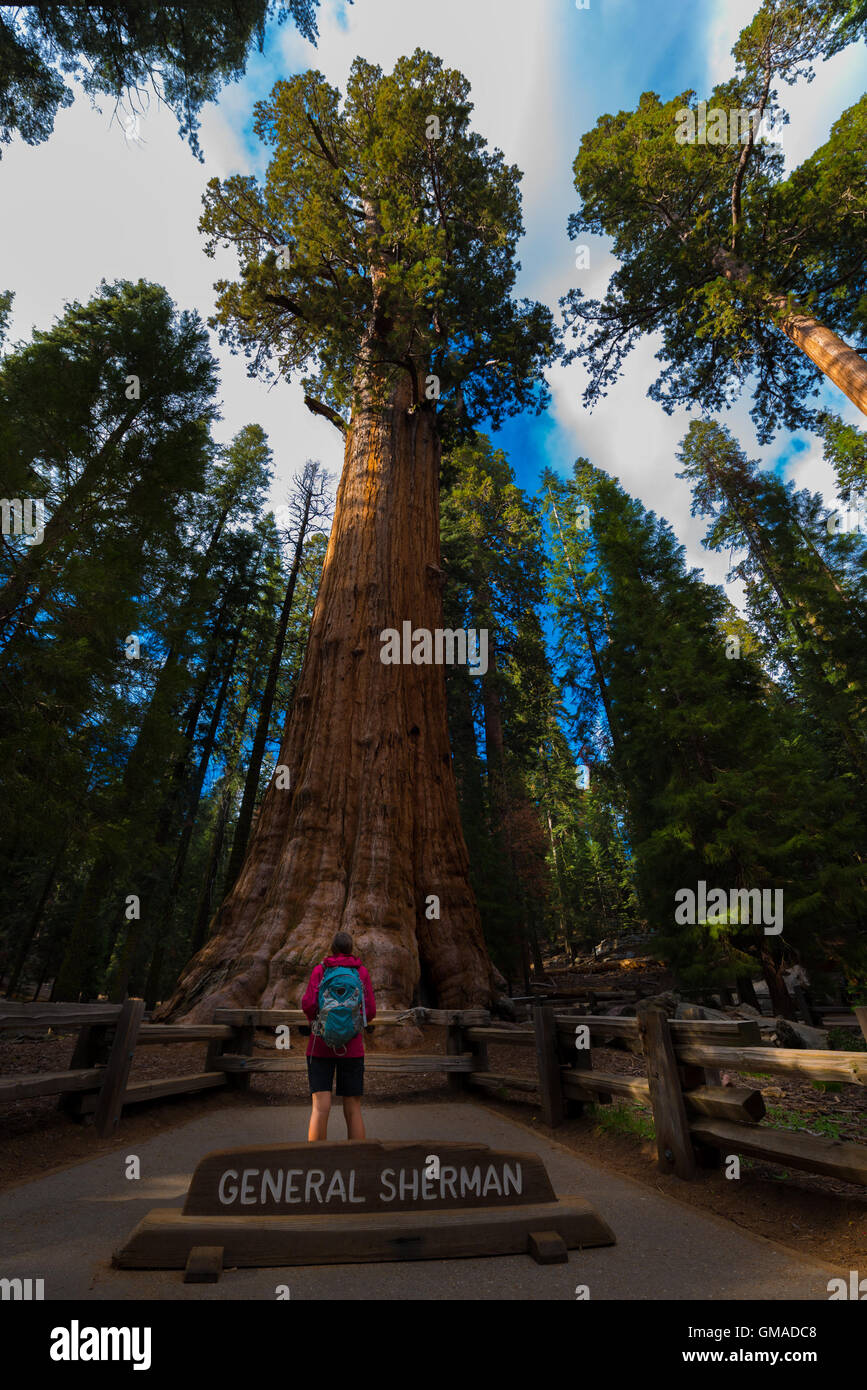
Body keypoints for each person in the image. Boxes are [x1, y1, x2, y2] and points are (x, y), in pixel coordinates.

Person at [301, 931, 376, 1141]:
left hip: (320, 1045)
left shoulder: (320, 970)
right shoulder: (361, 973)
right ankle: (356, 1162)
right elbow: (370, 1012)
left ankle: (317, 1164)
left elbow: (308, 1004)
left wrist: (317, 1020)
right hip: (352, 1048)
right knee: (353, 1109)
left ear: (332, 949)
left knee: (320, 1108)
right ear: (351, 949)